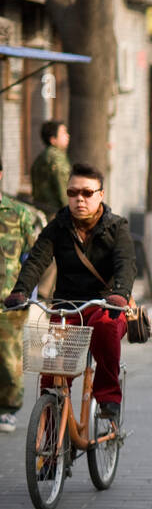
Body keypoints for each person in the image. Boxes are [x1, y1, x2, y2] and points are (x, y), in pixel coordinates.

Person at [3, 163, 134, 424]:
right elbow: (37, 260)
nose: (79, 200)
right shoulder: (58, 227)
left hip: (105, 305)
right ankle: (50, 451)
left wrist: (119, 294)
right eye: (73, 193)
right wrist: (20, 291)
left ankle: (109, 398)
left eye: (86, 193)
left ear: (101, 194)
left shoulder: (116, 227)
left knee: (106, 326)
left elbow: (125, 264)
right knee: (51, 378)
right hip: (67, 309)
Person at [0, 159, 38, 433]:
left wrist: (36, 291)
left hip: (8, 301)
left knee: (9, 359)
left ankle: (8, 409)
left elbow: (39, 255)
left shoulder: (19, 213)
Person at [30, 119, 70, 220]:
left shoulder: (41, 157)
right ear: (53, 140)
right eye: (64, 133)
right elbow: (63, 187)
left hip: (41, 212)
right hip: (55, 214)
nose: (68, 136)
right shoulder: (56, 158)